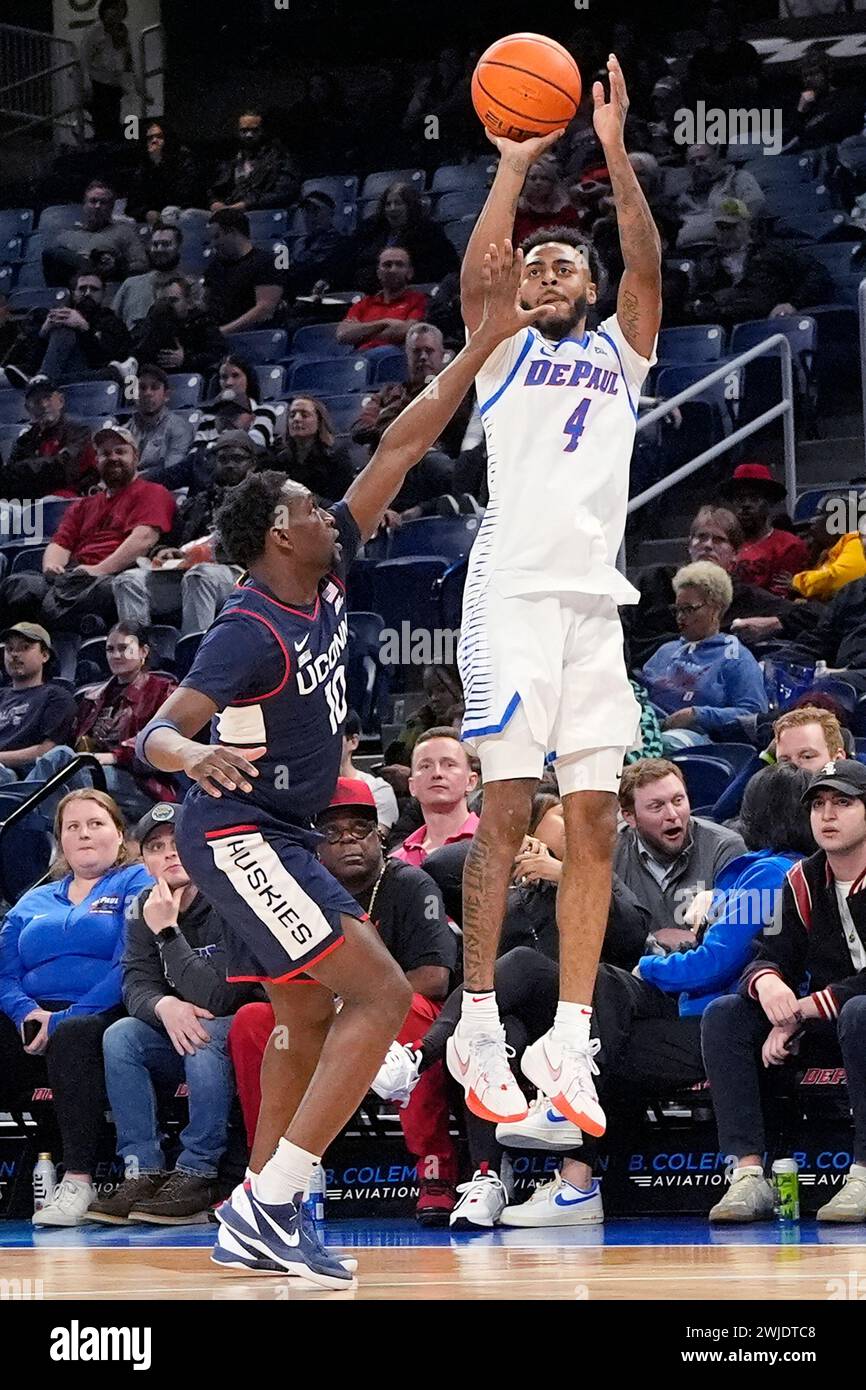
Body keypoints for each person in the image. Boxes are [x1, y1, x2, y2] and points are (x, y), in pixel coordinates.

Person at [135, 236, 552, 1284]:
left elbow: (399, 450)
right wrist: (195, 755)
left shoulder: (321, 580)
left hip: (281, 835)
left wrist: (478, 346)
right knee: (370, 995)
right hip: (236, 833)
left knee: (308, 1011)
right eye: (307, 509)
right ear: (277, 537)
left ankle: (263, 1203)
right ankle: (269, 1205)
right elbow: (157, 730)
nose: (328, 511)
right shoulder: (249, 624)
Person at [448, 55, 662, 1136]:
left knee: (592, 822)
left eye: (558, 266)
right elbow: (479, 273)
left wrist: (614, 155)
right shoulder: (496, 355)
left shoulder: (621, 357)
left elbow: (645, 267)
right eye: (532, 265)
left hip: (593, 603)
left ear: (585, 287)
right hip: (513, 594)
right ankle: (476, 1017)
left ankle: (567, 1038)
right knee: (499, 809)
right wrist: (515, 165)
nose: (540, 275)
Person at [229, 779, 459, 1226]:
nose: (349, 841)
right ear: (313, 845)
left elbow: (434, 978)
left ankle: (435, 1168)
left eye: (361, 829)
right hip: (322, 1011)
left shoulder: (411, 883)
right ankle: (267, 1173)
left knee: (404, 1014)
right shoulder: (292, 891)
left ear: (382, 836)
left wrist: (355, 1001)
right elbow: (269, 982)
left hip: (401, 1014)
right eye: (333, 834)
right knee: (251, 1021)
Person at [703, 758, 866, 1224]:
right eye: (818, 805)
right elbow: (768, 956)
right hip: (831, 1019)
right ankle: (749, 1174)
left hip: (852, 1014)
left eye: (843, 803)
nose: (827, 815)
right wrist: (770, 983)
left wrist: (804, 1010)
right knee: (727, 1014)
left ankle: (864, 1173)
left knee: (859, 1011)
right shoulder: (802, 879)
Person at [88, 804, 259, 1225]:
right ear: (144, 860)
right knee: (122, 1035)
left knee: (203, 1032)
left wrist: (168, 931)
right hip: (183, 1029)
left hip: (245, 1029)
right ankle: (142, 1169)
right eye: (157, 846)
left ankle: (198, 1173)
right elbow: (135, 982)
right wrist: (165, 1005)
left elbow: (222, 998)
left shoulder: (231, 898)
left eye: (179, 842)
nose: (170, 853)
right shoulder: (145, 904)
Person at [0, 790, 152, 1225]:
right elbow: (5, 971)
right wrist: (25, 1013)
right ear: (60, 843)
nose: (84, 834)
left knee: (74, 1034)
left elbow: (128, 962)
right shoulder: (33, 901)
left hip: (105, 1011)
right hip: (29, 1014)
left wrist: (62, 1018)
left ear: (119, 835)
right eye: (73, 827)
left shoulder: (135, 881)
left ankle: (78, 1182)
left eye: (96, 824)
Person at [0, 425, 175, 633]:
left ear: (135, 457)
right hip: (74, 578)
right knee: (18, 585)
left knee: (104, 591)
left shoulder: (153, 492)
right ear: (96, 461)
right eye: (105, 454)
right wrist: (52, 567)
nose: (113, 458)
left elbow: (143, 540)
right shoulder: (83, 505)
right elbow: (60, 542)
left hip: (115, 575)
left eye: (120, 451)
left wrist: (97, 570)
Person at [26, 621, 177, 819]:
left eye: (124, 649)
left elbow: (162, 742)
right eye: (110, 649)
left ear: (143, 651)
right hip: (92, 771)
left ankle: (16, 813)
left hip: (141, 783)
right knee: (59, 763)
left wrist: (114, 756)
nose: (115, 655)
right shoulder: (92, 698)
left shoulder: (163, 691)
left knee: (62, 764)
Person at [113, 429, 253, 635]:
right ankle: (139, 655)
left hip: (242, 576)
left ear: (252, 464)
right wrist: (162, 552)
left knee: (200, 575)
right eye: (223, 459)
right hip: (186, 575)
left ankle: (197, 656)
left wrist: (209, 554)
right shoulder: (198, 503)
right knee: (128, 581)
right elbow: (167, 542)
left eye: (237, 459)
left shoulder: (262, 500)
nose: (230, 464)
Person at [622, 504, 788, 670]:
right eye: (701, 537)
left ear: (735, 554)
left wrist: (774, 622)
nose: (708, 545)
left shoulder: (747, 597)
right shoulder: (655, 580)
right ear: (689, 545)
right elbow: (621, 625)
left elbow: (809, 614)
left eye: (719, 540)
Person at [614, 758, 746, 945]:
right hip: (634, 969)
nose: (672, 815)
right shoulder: (610, 856)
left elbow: (741, 934)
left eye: (678, 800)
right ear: (630, 817)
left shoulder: (725, 848)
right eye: (656, 806)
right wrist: (651, 942)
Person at [639, 561, 768, 744]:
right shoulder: (665, 651)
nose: (681, 617)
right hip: (649, 730)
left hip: (702, 742)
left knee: (664, 743)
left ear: (715, 608)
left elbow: (753, 714)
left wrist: (697, 714)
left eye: (689, 609)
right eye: (677, 609)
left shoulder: (735, 657)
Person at [687, 201, 832, 329]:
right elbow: (695, 297)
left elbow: (816, 274)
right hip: (721, 323)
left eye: (731, 227)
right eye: (720, 227)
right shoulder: (707, 261)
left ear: (747, 225)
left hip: (767, 322)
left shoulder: (773, 251)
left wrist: (793, 304)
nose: (725, 233)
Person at [351, 322, 476, 463]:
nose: (423, 357)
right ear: (407, 356)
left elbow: (445, 424)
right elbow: (359, 430)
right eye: (416, 351)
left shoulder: (456, 391)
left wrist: (386, 415)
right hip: (391, 467)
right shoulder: (389, 391)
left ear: (442, 355)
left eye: (429, 351)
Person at [0, 623, 77, 785]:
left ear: (45, 655)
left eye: (25, 647)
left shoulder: (57, 696)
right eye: (9, 649)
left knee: (61, 753)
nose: (14, 654)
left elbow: (46, 751)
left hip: (31, 778)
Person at [390, 728, 479, 867]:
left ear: (471, 781)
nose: (437, 773)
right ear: (412, 786)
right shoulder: (397, 863)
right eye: (425, 766)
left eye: (449, 765)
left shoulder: (497, 846)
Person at [0, 376, 98, 500]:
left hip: (70, 500)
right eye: (36, 401)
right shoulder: (24, 441)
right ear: (28, 409)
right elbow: (9, 477)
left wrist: (25, 469)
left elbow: (64, 469)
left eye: (48, 397)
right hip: (31, 500)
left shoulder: (79, 431)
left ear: (61, 400)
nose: (43, 404)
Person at [720, 463, 810, 598]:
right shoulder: (721, 543)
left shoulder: (789, 545)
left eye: (754, 498)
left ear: (769, 502)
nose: (746, 505)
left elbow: (780, 599)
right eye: (740, 499)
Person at [42, 180, 147, 287]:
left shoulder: (124, 232)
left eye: (103, 202)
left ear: (110, 208)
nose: (97, 206)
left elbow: (141, 266)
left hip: (108, 287)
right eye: (93, 201)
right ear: (84, 205)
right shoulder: (66, 236)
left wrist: (116, 265)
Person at [355, 183, 459, 290]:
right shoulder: (372, 231)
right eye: (388, 204)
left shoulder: (429, 233)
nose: (392, 208)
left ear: (410, 206)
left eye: (398, 203)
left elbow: (443, 269)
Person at [37, 270, 132, 386]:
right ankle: (45, 383)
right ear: (73, 293)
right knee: (63, 329)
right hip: (61, 374)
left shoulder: (112, 322)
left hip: (90, 380)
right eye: (82, 289)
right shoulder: (57, 317)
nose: (87, 293)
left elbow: (106, 361)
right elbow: (33, 362)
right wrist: (43, 333)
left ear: (103, 294)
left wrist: (84, 329)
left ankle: (43, 384)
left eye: (94, 289)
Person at [203, 209, 284, 336]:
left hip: (252, 337)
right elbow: (206, 302)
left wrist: (222, 331)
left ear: (232, 232)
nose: (213, 244)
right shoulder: (215, 266)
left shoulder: (266, 262)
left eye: (217, 236)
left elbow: (265, 309)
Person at [131, 274, 225, 378]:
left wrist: (186, 359)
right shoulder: (151, 326)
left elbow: (218, 355)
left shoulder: (203, 323)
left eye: (173, 300)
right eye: (162, 301)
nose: (167, 306)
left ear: (189, 302)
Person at [675, 144, 766, 250]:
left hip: (727, 251)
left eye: (702, 159)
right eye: (692, 162)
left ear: (716, 160)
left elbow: (755, 203)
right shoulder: (683, 196)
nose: (697, 164)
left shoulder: (737, 179)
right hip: (686, 256)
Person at [335, 247, 427, 352]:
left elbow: (406, 331)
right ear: (378, 273)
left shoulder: (419, 300)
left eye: (399, 265)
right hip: (360, 357)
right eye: (387, 265)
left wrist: (360, 332)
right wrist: (384, 322)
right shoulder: (364, 303)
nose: (393, 270)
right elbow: (342, 335)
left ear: (410, 272)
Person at [207, 110, 300, 214]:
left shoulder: (279, 156)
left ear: (263, 131)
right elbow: (216, 189)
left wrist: (247, 204)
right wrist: (214, 202)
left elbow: (285, 192)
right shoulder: (232, 160)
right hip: (230, 212)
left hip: (262, 212)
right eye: (244, 131)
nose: (249, 135)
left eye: (255, 130)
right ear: (237, 132)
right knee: (191, 216)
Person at [274, 398, 354, 506]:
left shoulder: (336, 456)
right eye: (292, 415)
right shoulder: (279, 457)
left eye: (304, 415)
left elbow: (341, 502)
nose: (296, 419)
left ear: (319, 421)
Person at [79, 0, 139, 142]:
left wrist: (132, 84)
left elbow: (127, 60)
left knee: (116, 122)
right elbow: (84, 57)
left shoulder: (122, 31)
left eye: (119, 9)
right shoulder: (95, 30)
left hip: (116, 84)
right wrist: (86, 84)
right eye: (111, 9)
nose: (115, 13)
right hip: (99, 83)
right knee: (103, 124)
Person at [126, 364, 195, 481]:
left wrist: (133, 481)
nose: (148, 393)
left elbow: (171, 472)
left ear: (166, 395)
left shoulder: (180, 428)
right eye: (142, 388)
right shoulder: (126, 429)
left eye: (154, 387)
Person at [112, 222, 184, 332]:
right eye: (155, 245)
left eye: (166, 244)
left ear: (178, 247)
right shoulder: (130, 285)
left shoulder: (190, 287)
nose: (159, 249)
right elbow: (112, 324)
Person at [124, 122, 198, 227]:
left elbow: (187, 197)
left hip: (181, 217)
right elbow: (131, 206)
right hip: (152, 223)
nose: (154, 141)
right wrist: (146, 213)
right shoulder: (141, 170)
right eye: (150, 138)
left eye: (159, 137)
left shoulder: (184, 163)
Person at [790, 500, 866, 602]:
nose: (812, 521)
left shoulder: (855, 542)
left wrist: (797, 582)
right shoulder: (828, 550)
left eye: (819, 514)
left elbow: (842, 577)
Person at [284, 192, 355, 299]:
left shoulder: (341, 243)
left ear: (330, 214)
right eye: (306, 211)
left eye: (315, 210)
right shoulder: (300, 244)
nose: (310, 217)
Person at [340, 709, 398, 829]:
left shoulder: (377, 790)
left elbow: (376, 842)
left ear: (353, 741)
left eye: (331, 738)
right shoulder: (304, 790)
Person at [512, 155, 582, 246]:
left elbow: (577, 245)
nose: (538, 182)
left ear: (553, 183)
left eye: (544, 178)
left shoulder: (567, 213)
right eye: (533, 178)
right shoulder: (515, 213)